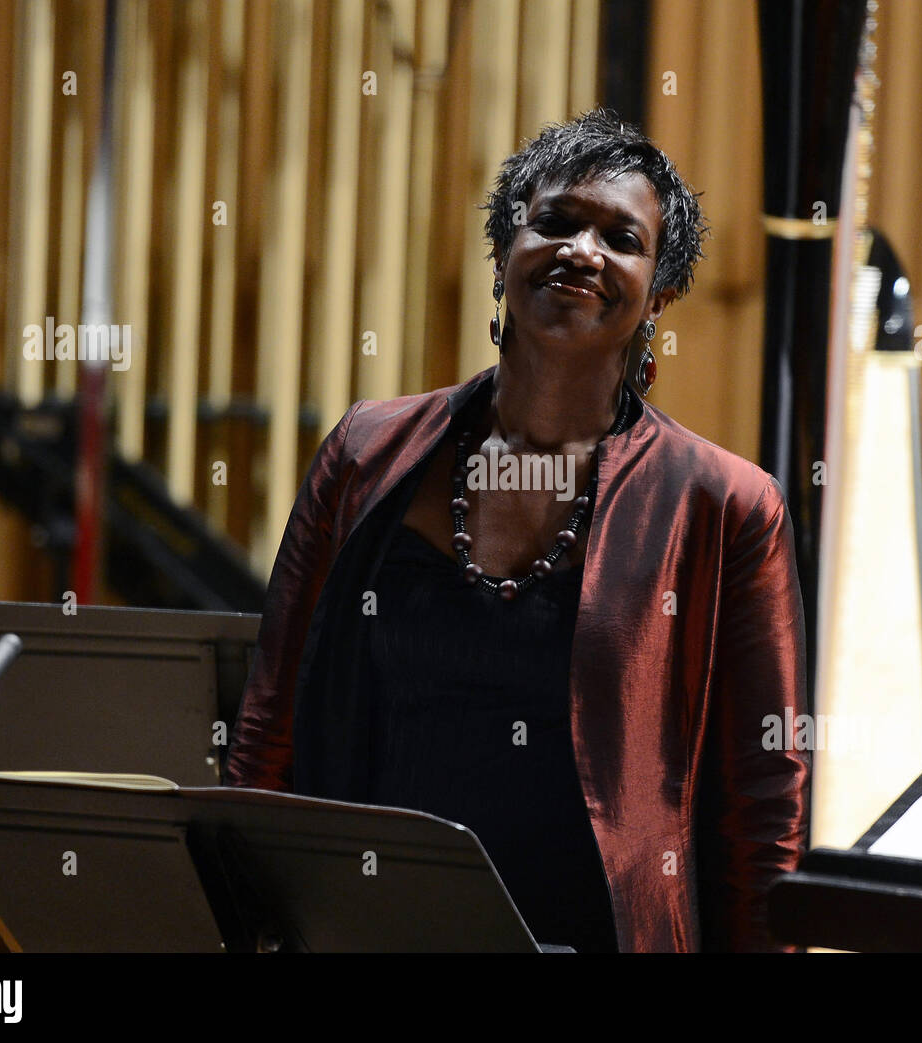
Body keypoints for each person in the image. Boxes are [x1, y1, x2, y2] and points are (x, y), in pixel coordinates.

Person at [225, 109, 808, 953]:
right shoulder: (364, 453)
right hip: (369, 931)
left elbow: (763, 813)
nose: (582, 251)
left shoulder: (727, 506)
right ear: (504, 253)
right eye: (556, 222)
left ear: (661, 294)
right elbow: (268, 726)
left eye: (622, 239)